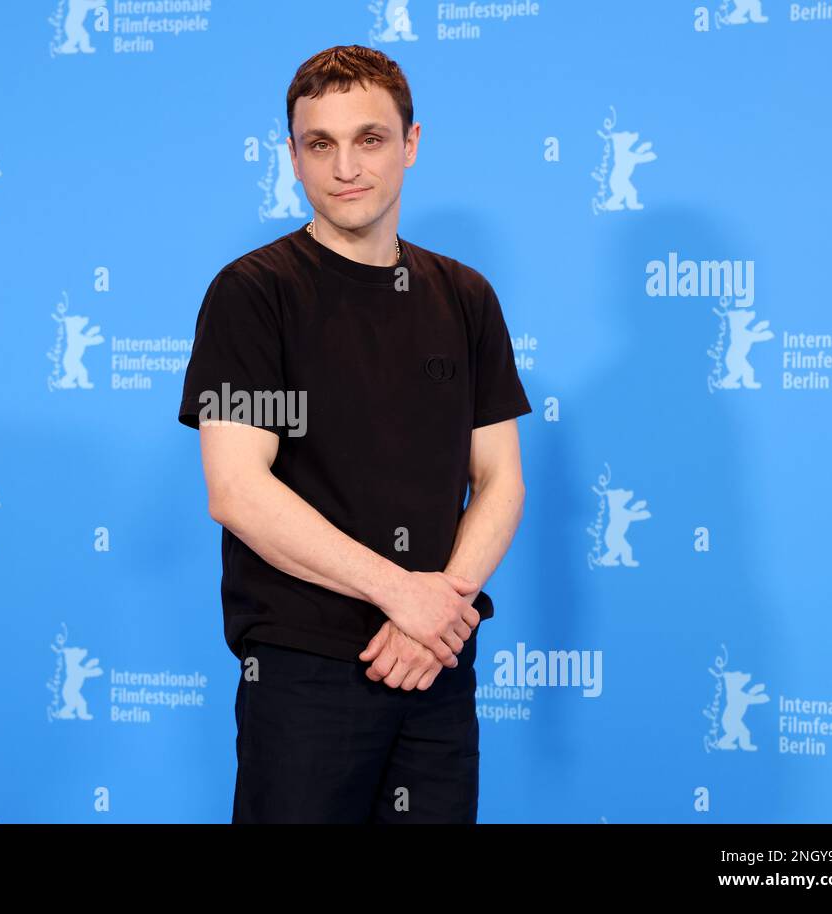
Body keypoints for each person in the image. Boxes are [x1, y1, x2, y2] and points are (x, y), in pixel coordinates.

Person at [176, 45, 532, 824]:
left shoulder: (466, 297)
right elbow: (237, 490)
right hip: (306, 675)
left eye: (369, 139)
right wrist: (402, 595)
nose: (346, 167)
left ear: (410, 143)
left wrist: (439, 612)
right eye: (320, 144)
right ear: (293, 158)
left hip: (437, 666)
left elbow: (502, 479)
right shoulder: (253, 294)